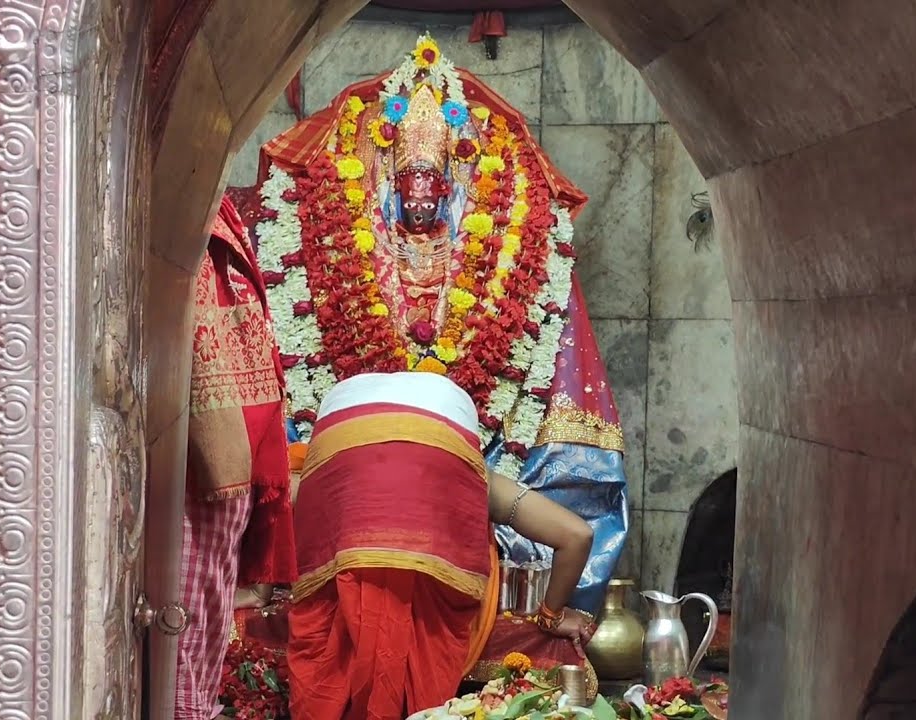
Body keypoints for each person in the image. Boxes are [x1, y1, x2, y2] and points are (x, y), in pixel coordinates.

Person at [245, 34, 630, 615]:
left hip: (455, 439)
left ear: (454, 182)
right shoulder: (350, 221)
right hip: (412, 451)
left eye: (432, 188)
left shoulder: (493, 226)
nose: (420, 204)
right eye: (407, 187)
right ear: (386, 181)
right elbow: (574, 535)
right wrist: (552, 616)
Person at [286, 372, 596, 719]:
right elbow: (576, 535)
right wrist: (551, 616)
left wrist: (259, 591)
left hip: (340, 438)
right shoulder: (479, 481)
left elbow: (270, 506)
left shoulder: (312, 478)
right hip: (439, 440)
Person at [176, 197, 297, 719]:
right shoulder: (200, 220)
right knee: (189, 628)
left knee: (193, 628)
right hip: (202, 457)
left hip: (216, 457)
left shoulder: (209, 218)